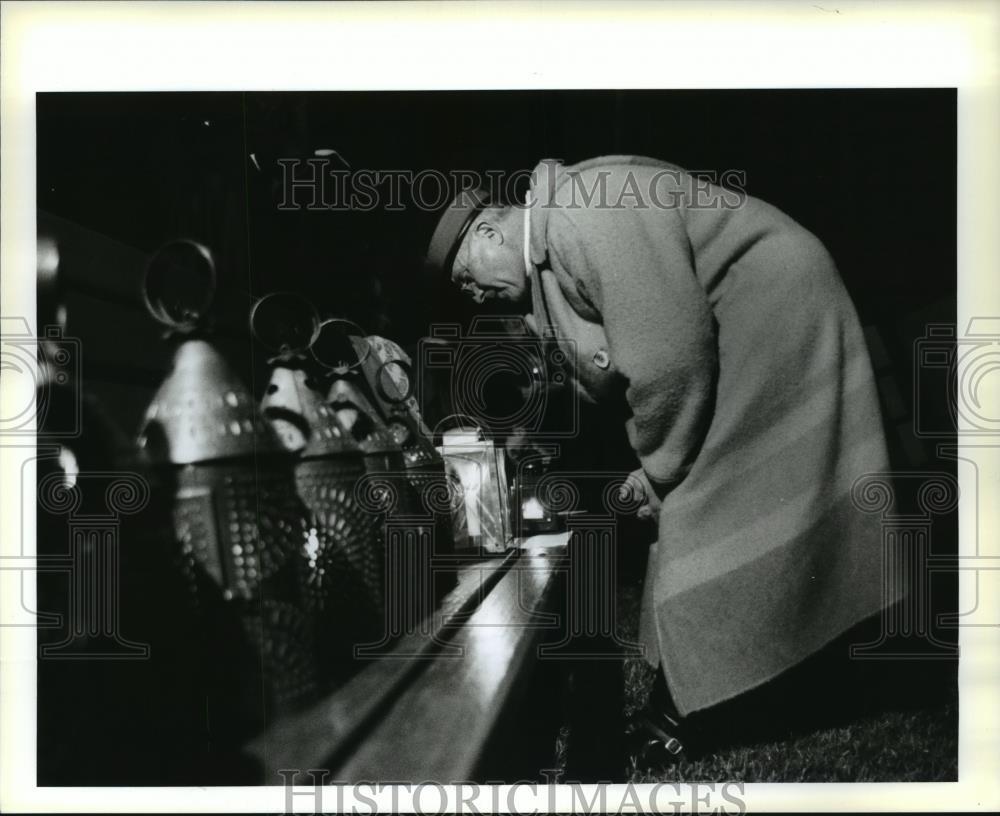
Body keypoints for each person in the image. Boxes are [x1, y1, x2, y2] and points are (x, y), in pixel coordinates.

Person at [425, 156, 899, 764]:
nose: (472, 295)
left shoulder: (578, 214)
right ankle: (729, 690)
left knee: (700, 505)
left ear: (490, 232)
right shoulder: (546, 261)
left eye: (467, 277)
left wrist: (659, 473)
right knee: (709, 511)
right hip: (738, 321)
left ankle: (687, 710)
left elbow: (671, 361)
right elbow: (597, 370)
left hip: (770, 310)